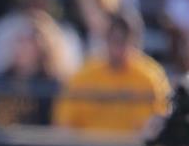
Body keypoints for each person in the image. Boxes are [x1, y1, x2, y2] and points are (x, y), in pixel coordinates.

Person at [52, 8, 168, 136]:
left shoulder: (151, 78)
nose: (119, 49)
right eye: (115, 41)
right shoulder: (84, 76)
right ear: (106, 40)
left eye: (125, 41)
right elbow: (63, 122)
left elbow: (162, 122)